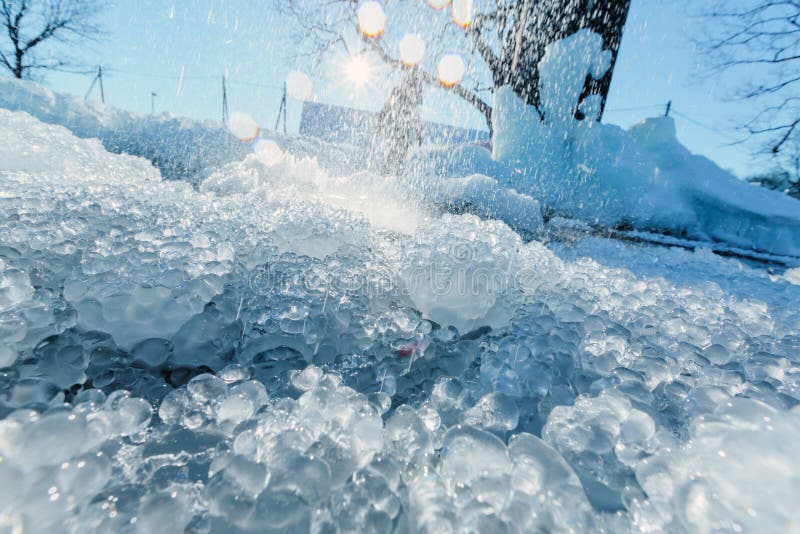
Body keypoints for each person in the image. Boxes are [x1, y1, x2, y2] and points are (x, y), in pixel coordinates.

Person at [372, 68, 424, 175]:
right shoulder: (398, 92)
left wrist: (419, 133)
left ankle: (394, 174)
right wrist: (380, 123)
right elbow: (386, 108)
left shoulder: (412, 97)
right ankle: (387, 174)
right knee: (394, 152)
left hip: (403, 129)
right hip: (394, 126)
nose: (418, 89)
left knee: (400, 153)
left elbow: (416, 116)